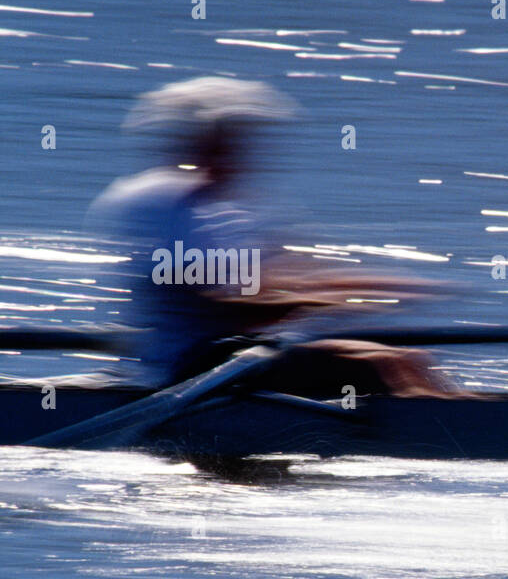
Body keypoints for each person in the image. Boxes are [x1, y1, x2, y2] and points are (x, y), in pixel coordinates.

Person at [90, 76, 456, 398]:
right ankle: (462, 435)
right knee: (378, 369)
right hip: (185, 372)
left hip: (235, 357)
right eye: (228, 144)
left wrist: (384, 286)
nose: (242, 155)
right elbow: (216, 311)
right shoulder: (159, 206)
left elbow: (285, 279)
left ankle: (466, 420)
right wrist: (326, 303)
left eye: (241, 143)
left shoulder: (225, 213)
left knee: (411, 360)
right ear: (196, 145)